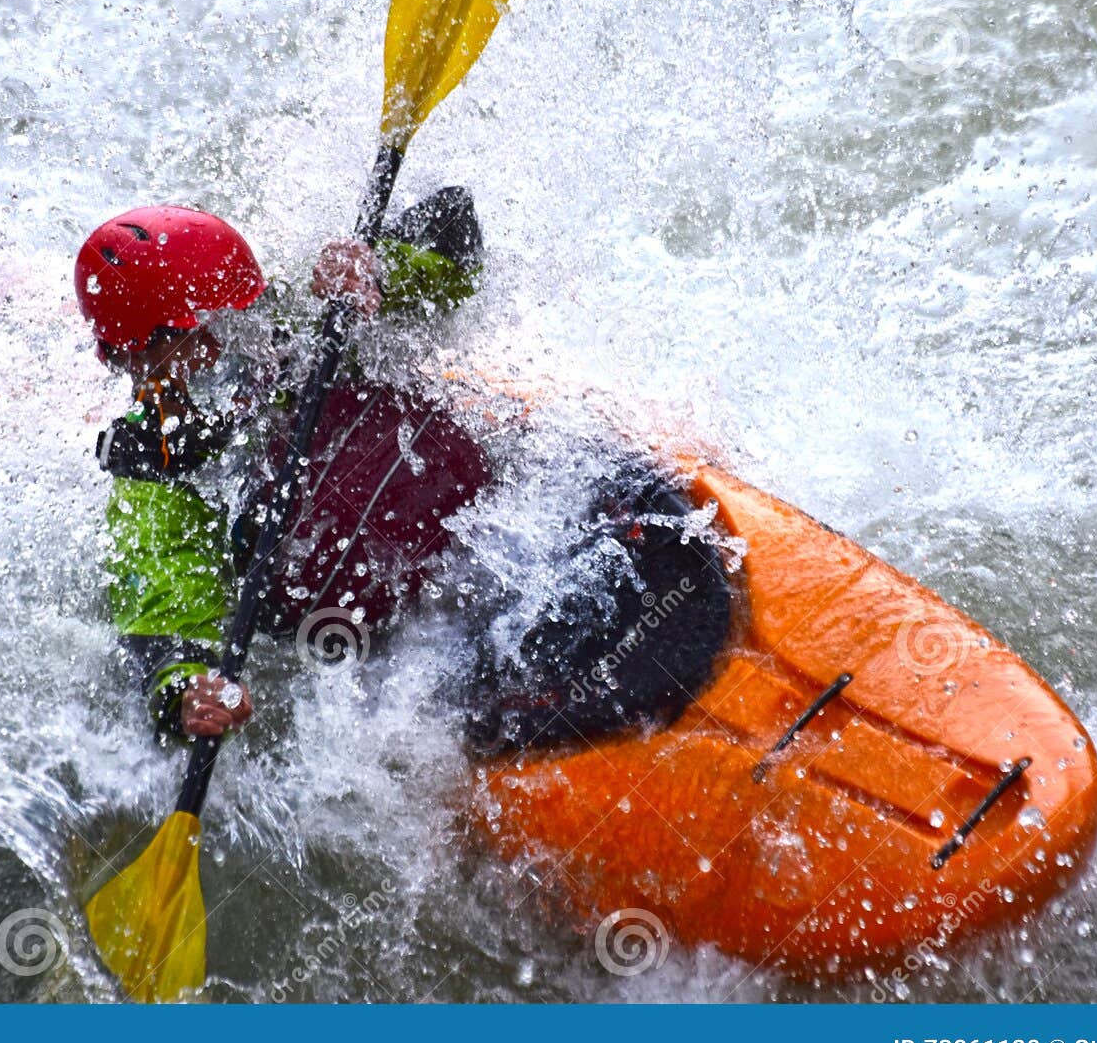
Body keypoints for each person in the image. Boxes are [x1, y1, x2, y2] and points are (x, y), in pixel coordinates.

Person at [76, 191, 731, 750]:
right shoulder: (158, 472)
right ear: (135, 359)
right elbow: (162, 615)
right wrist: (185, 690)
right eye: (199, 334)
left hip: (489, 517)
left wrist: (381, 267)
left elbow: (455, 227)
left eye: (235, 314)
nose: (231, 341)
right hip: (388, 636)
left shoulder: (308, 308)